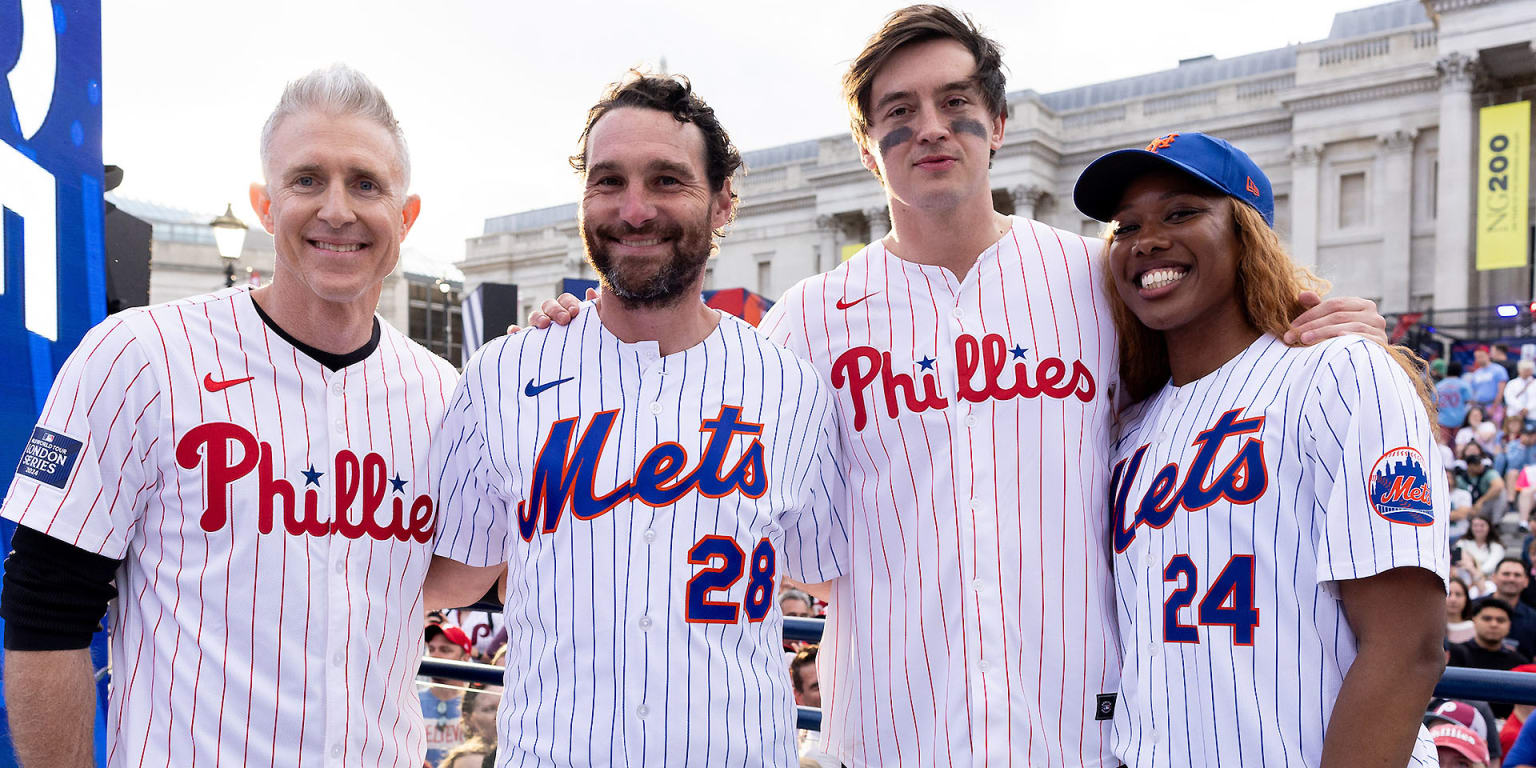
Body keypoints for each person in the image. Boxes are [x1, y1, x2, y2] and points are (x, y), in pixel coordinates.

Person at [525, 7, 1389, 765]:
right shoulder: (807, 322)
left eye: (955, 104)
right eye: (898, 112)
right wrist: (579, 334)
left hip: (1083, 737)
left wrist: (1311, 321)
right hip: (892, 735)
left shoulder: (1097, 280)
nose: (930, 128)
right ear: (869, 148)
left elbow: (1216, 359)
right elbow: (686, 435)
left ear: (999, 124)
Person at [0, 65, 453, 767]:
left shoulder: (443, 394)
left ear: (407, 215)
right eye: (307, 180)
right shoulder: (137, 356)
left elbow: (480, 573)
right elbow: (42, 611)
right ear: (265, 207)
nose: (337, 208)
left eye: (366, 183)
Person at [421, 73, 848, 767]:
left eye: (668, 180)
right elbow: (453, 572)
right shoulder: (504, 372)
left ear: (723, 202)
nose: (635, 208)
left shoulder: (792, 386)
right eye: (608, 180)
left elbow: (839, 576)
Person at [1073, 130, 1447, 766]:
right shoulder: (1127, 428)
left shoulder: (1341, 371)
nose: (1147, 240)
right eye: (1125, 226)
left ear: (1246, 231)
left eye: (1183, 212)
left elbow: (1408, 642)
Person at [421, 623, 473, 766]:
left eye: (445, 650)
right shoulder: (412, 701)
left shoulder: (476, 706)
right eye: (431, 649)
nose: (435, 655)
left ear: (465, 657)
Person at [439, 685, 501, 768]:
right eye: (489, 709)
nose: (499, 716)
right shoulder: (470, 760)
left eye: (504, 708)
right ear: (467, 718)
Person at [1491, 557, 1536, 656]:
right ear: (1493, 577)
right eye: (1506, 574)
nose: (1511, 579)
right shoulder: (1471, 608)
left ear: (1526, 582)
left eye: (1517, 575)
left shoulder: (1533, 618)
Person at [1457, 516, 1505, 585]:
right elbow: (1457, 561)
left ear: (1489, 528)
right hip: (1464, 580)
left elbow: (1490, 567)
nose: (1478, 528)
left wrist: (1472, 570)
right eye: (1475, 525)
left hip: (1488, 581)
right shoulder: (1461, 542)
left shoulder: (1497, 547)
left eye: (1482, 526)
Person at [1468, 346, 1509, 419]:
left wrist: (1494, 408)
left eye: (1481, 356)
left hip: (1493, 406)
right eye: (1477, 357)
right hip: (1479, 407)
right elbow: (1473, 392)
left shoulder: (1498, 370)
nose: (1479, 359)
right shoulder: (1476, 373)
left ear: (1488, 355)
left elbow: (1501, 392)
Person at [1441, 361, 1476, 446]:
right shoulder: (1464, 385)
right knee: (1458, 447)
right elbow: (1471, 401)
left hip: (1442, 421)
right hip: (1459, 421)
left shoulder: (1439, 385)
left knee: (1443, 447)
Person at [1507, 360, 1536, 430]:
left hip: (1532, 415)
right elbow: (1509, 398)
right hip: (1514, 416)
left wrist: (1527, 408)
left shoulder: (1534, 383)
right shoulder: (1512, 383)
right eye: (1525, 369)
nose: (1526, 372)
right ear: (1519, 370)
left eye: (1528, 370)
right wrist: (1520, 408)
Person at [1448, 577, 1476, 643]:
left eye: (1458, 594)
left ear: (1466, 599)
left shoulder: (1474, 628)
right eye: (1449, 594)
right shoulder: (1433, 628)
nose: (1453, 599)